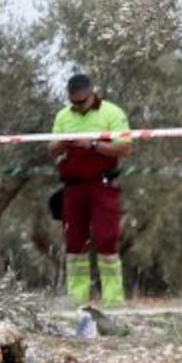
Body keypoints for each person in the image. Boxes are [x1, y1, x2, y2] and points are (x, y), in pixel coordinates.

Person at [51, 73, 132, 306]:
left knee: (107, 240)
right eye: (73, 102)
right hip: (72, 188)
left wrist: (94, 144)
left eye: (81, 102)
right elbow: (51, 148)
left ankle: (114, 300)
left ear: (92, 93)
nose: (76, 106)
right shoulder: (63, 116)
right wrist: (62, 142)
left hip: (102, 185)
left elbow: (125, 148)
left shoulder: (112, 113)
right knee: (74, 242)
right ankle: (77, 298)